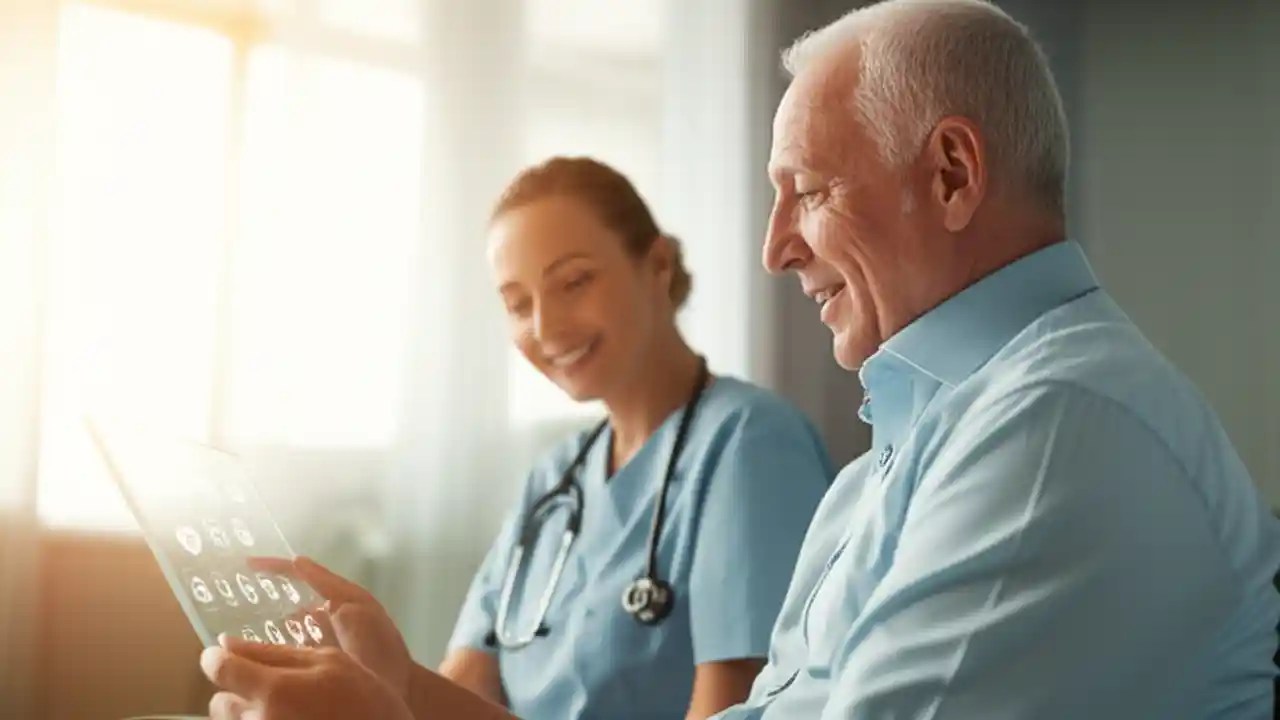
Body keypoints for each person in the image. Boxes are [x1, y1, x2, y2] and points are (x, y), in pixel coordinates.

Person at [201, 1, 1280, 717]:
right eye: (513, 301)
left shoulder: (1057, 427)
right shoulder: (883, 476)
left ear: (951, 175)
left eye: (805, 190)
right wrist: (394, 693)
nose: (772, 248)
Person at [200, 157, 833, 720]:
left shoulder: (750, 445)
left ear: (657, 266)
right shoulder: (553, 480)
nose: (546, 325)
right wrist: (385, 677)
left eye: (574, 282)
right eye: (516, 302)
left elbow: (742, 710)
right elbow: (463, 692)